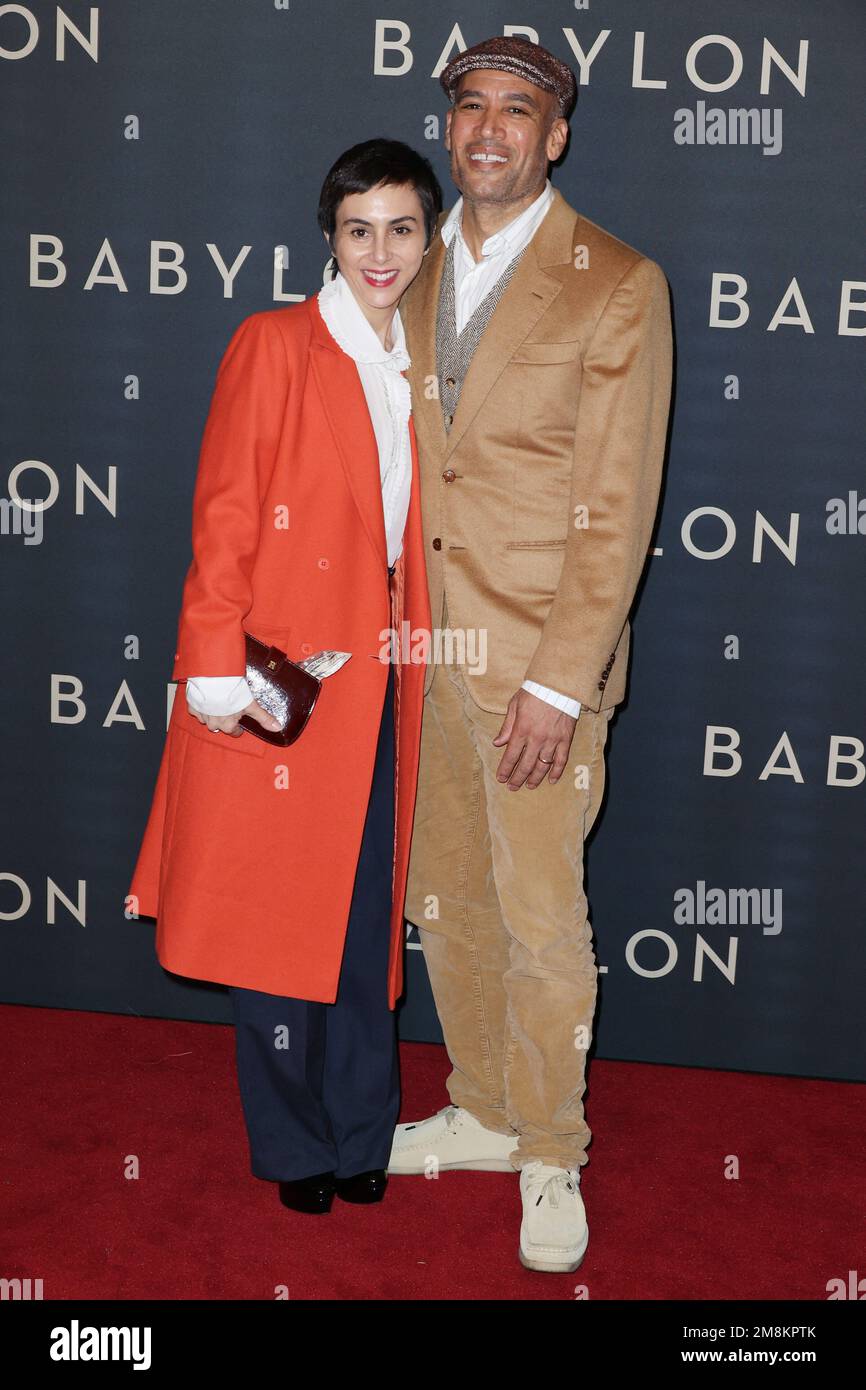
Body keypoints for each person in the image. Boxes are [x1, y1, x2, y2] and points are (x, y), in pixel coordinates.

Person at [388, 36, 673, 1272]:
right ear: (447, 127)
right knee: (441, 898)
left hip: (531, 667)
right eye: (469, 108)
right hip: (414, 652)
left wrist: (559, 681)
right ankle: (487, 1107)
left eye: (518, 110)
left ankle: (552, 1146)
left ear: (556, 134)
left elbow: (617, 507)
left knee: (541, 917)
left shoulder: (614, 279)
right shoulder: (393, 260)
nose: (489, 130)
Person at [128, 139, 440, 1215]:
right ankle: (294, 1146)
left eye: (401, 227)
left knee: (361, 917)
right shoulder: (273, 342)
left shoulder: (436, 360)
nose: (380, 250)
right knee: (273, 915)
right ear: (329, 237)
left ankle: (363, 1130)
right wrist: (211, 663)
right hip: (287, 675)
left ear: (428, 236)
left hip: (394, 667)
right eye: (360, 229)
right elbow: (222, 512)